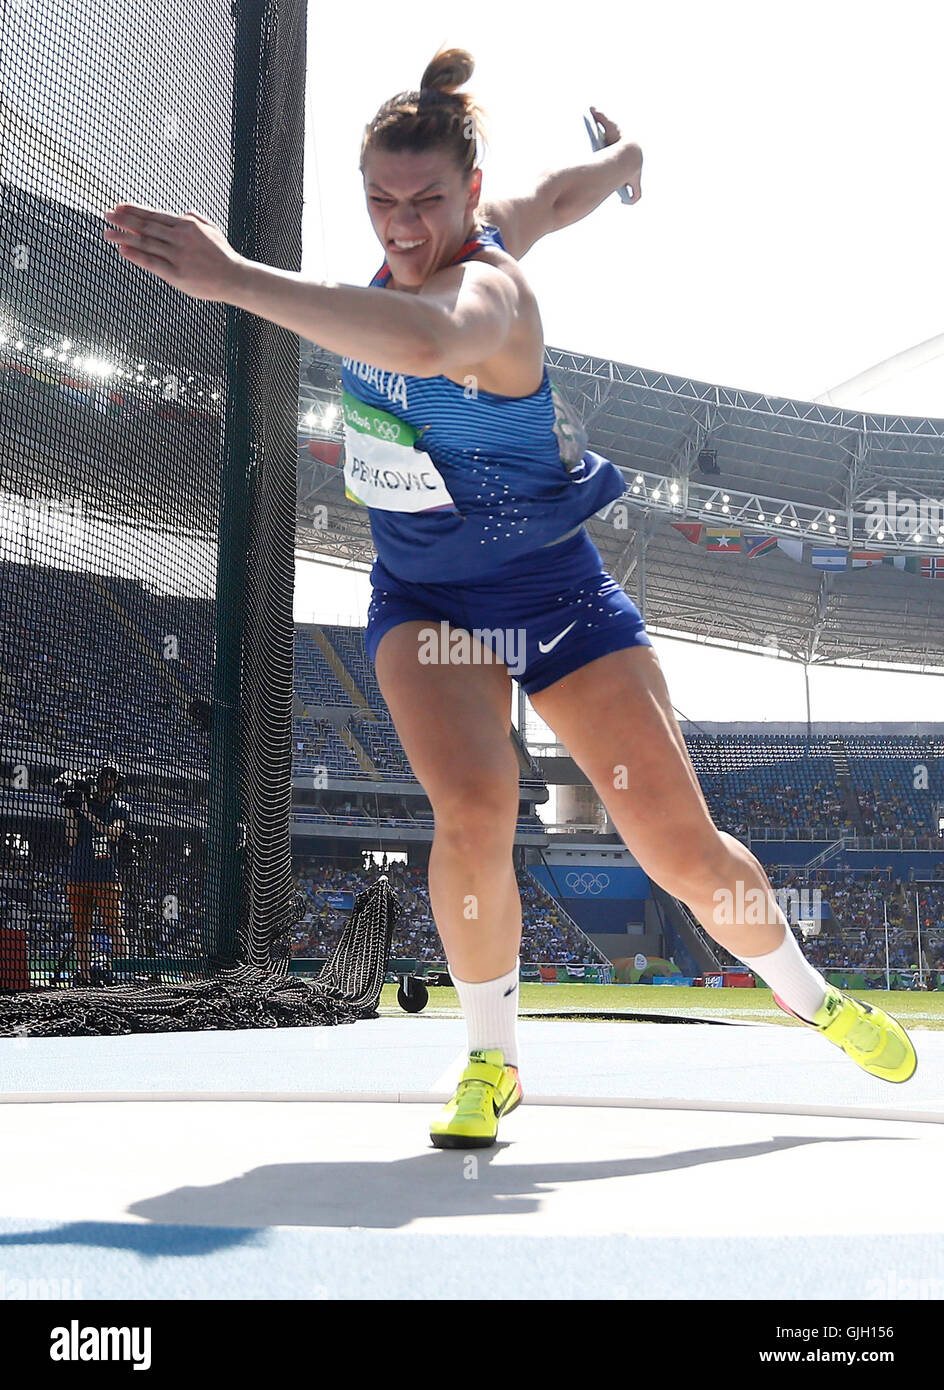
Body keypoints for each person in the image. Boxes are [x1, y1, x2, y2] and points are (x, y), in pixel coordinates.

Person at [102, 45, 917, 1147]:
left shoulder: (485, 292)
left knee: (679, 852)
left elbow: (427, 342)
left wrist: (235, 276)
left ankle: (809, 995)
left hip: (554, 599)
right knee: (474, 809)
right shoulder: (458, 239)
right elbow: (554, 197)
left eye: (425, 200)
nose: (399, 223)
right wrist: (622, 162)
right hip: (426, 604)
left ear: (466, 195)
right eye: (380, 201)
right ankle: (491, 1057)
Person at [64, 765, 131, 985]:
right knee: (81, 929)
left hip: (106, 876)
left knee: (114, 925)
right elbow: (71, 839)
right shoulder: (85, 802)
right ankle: (84, 977)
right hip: (78, 874)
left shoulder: (120, 806)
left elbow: (113, 833)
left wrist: (86, 813)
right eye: (104, 775)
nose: (107, 780)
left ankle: (123, 974)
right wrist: (70, 810)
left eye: (112, 776)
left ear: (117, 781)